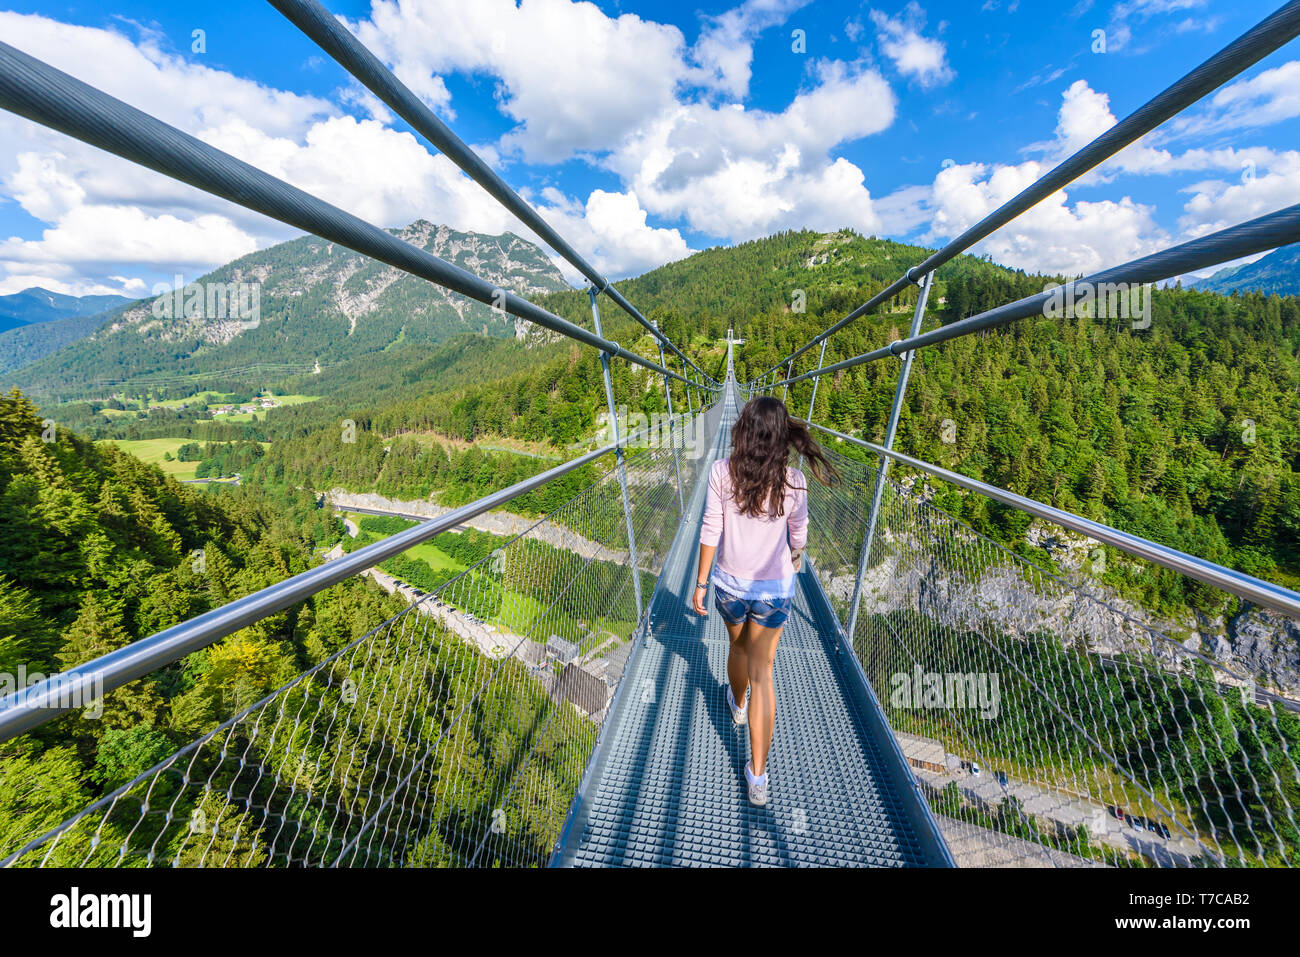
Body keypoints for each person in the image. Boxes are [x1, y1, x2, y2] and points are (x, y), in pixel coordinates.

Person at [692, 395, 838, 807]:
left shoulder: (722, 473)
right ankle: (758, 776)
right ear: (780, 438)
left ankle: (737, 706)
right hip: (774, 592)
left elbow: (709, 529)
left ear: (744, 430)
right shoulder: (794, 481)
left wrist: (701, 583)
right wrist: (793, 557)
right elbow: (799, 534)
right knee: (763, 675)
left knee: (737, 647)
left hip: (730, 588)